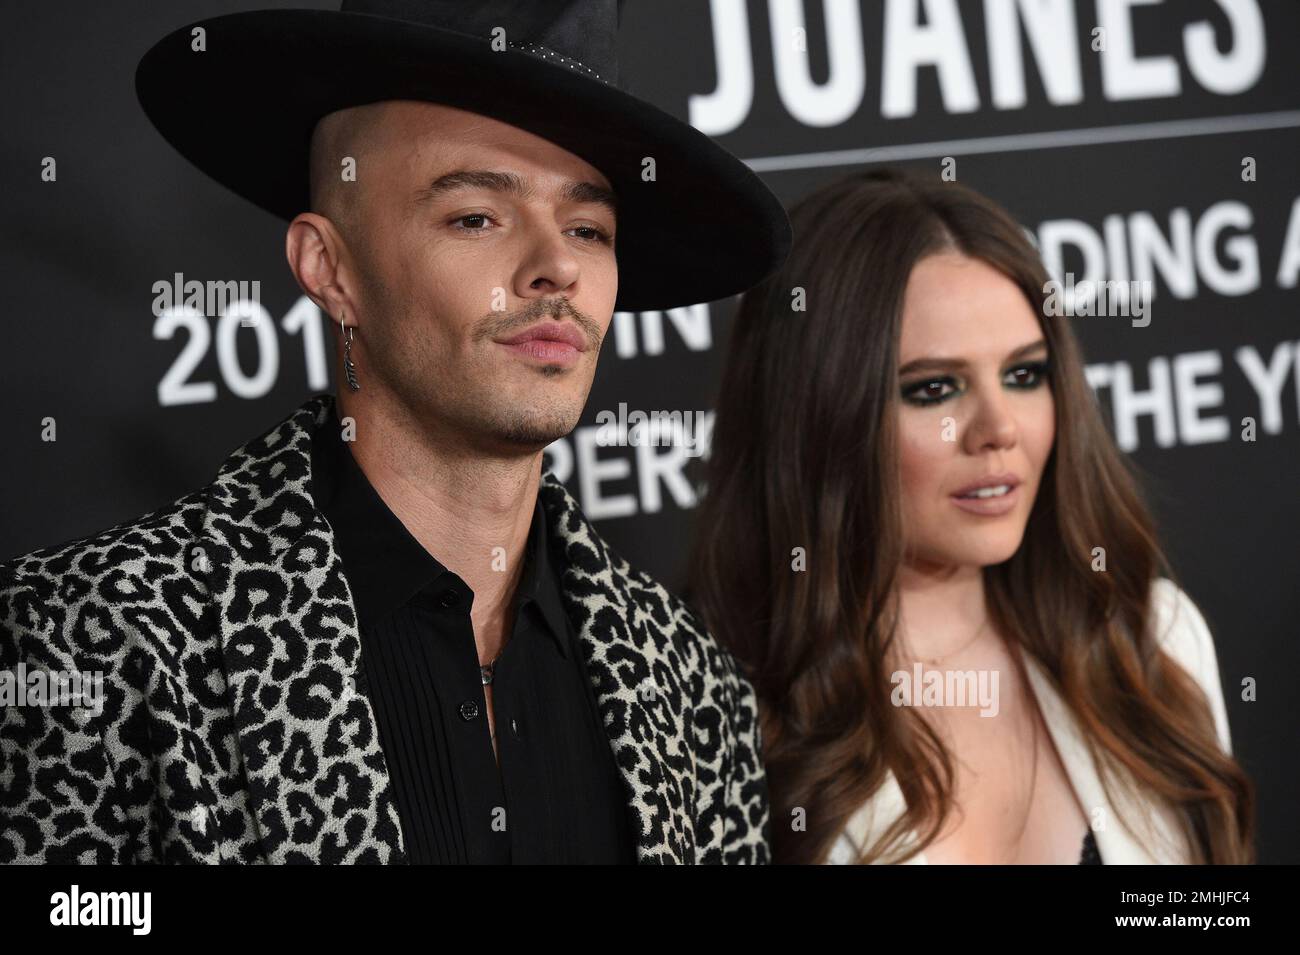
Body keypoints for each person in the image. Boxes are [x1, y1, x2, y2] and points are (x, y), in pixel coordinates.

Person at [0, 0, 790, 864]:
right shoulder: (94, 637)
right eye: (476, 217)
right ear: (329, 268)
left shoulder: (689, 681)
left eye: (588, 228)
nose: (557, 266)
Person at [689, 167, 1254, 864]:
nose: (998, 428)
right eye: (933, 388)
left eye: (1024, 374)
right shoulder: (711, 710)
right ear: (819, 416)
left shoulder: (1150, 645)